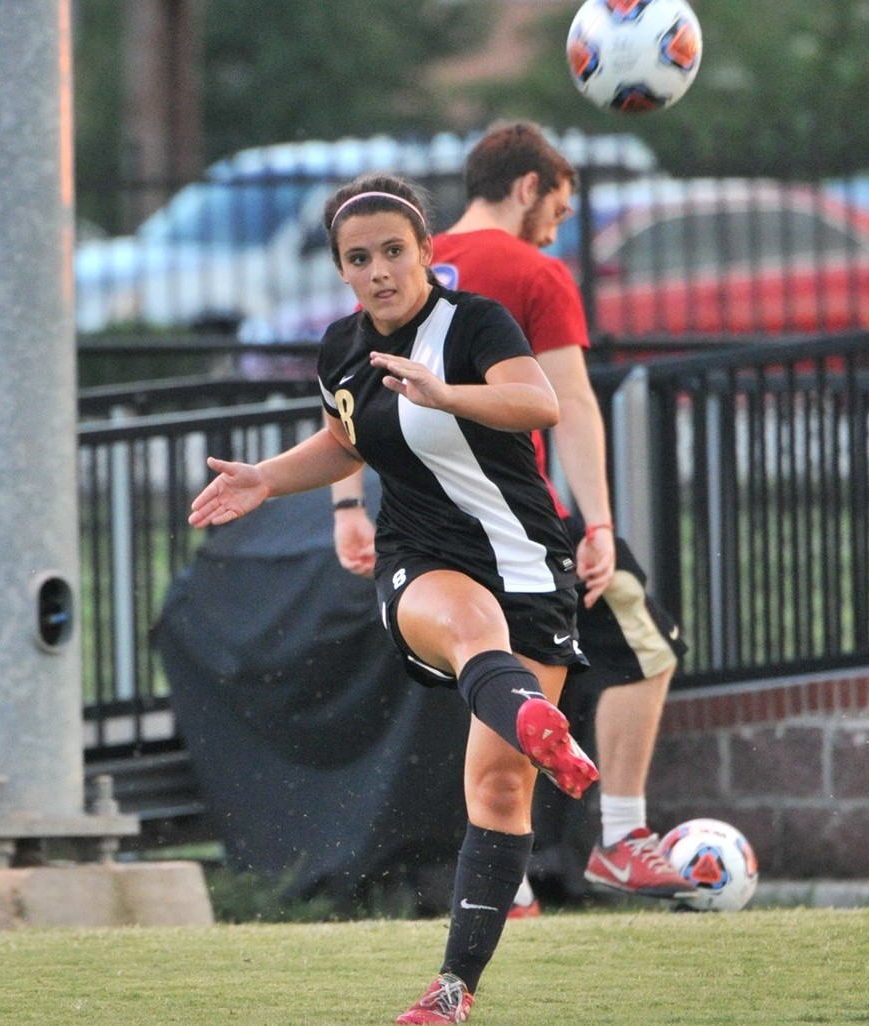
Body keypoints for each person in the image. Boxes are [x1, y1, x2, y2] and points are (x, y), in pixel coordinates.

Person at [190, 173, 600, 1024]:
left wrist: (447, 392)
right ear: (341, 270)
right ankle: (528, 715)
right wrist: (267, 478)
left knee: (496, 793)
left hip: (528, 561)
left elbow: (540, 402)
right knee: (463, 624)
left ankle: (454, 991)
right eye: (358, 258)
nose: (378, 270)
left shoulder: (474, 323)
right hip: (421, 553)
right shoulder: (341, 347)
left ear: (426, 254)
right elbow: (347, 442)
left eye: (392, 252)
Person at [329, 122, 692, 913]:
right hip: (517, 531)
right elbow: (567, 404)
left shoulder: (398, 260)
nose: (557, 229)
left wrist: (346, 507)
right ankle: (623, 839)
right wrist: (597, 524)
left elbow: (362, 408)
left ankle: (512, 885)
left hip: (422, 530)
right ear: (527, 188)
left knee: (488, 688)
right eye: (556, 210)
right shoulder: (527, 272)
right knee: (649, 640)